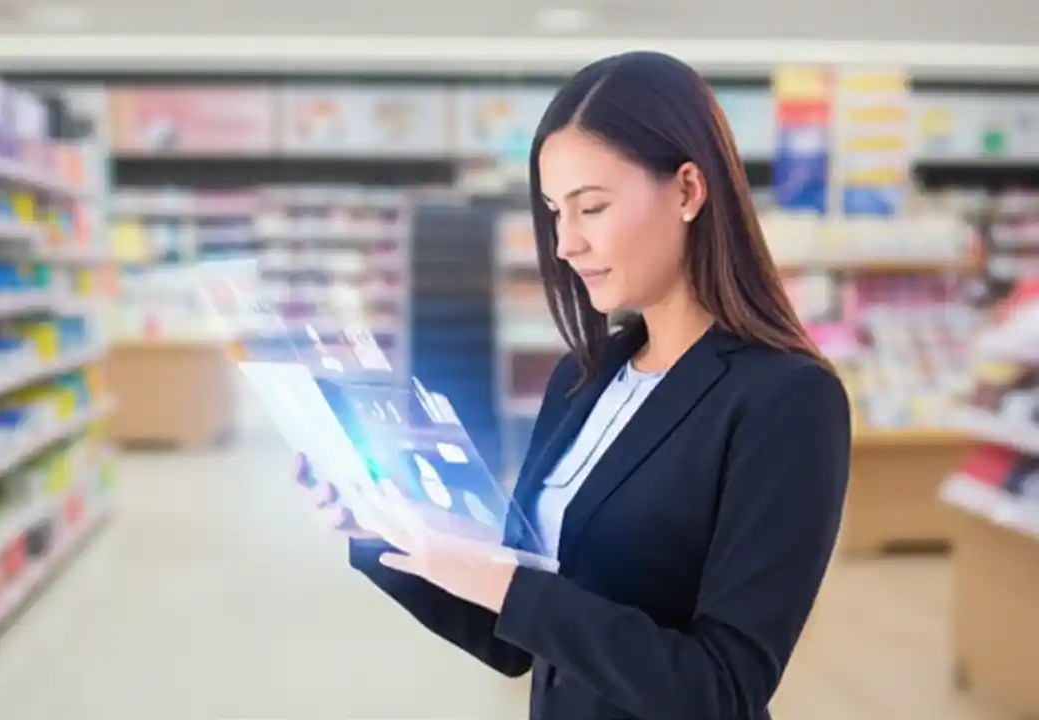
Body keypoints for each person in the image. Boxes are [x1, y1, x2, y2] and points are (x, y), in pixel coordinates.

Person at [295, 50, 850, 720]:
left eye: (591, 207)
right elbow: (513, 643)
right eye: (555, 211)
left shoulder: (785, 400)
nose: (565, 243)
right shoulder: (580, 379)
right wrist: (379, 533)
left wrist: (506, 583)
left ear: (687, 191)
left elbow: (724, 690)